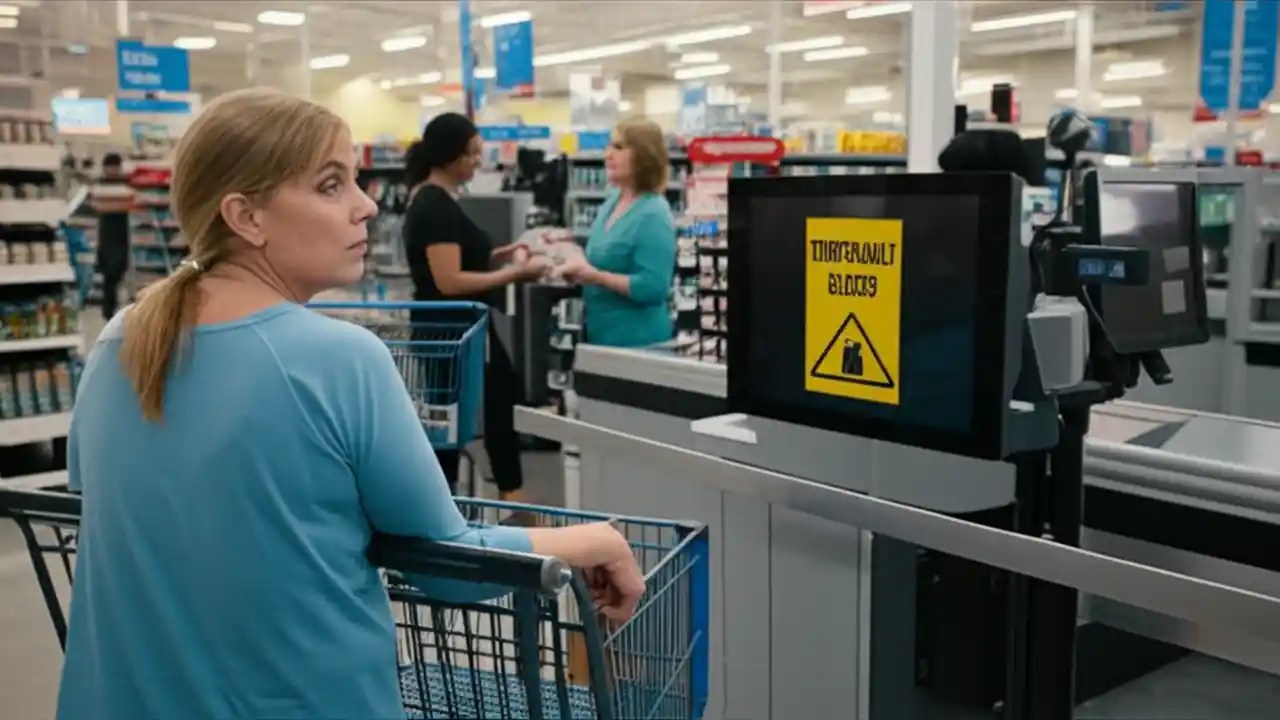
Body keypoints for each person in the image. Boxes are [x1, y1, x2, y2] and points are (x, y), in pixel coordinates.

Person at [57, 89, 643, 720]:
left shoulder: (121, 337)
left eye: (356, 181)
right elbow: (452, 566)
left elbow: (109, 502)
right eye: (331, 185)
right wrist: (595, 541)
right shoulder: (340, 359)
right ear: (246, 217)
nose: (366, 206)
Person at [401, 112, 545, 499]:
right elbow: (450, 281)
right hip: (454, 331)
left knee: (464, 415)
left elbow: (456, 259)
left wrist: (501, 254)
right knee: (471, 415)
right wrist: (515, 274)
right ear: (448, 156)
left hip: (458, 329)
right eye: (471, 154)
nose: (477, 162)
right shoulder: (434, 205)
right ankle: (502, 500)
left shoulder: (438, 199)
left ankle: (479, 499)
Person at [554, 117, 677, 347]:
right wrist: (570, 242)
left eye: (619, 147)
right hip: (603, 342)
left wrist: (596, 277)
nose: (608, 154)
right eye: (609, 145)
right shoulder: (612, 202)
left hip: (640, 347)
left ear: (644, 156)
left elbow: (654, 288)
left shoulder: (654, 214)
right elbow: (610, 250)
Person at [89, 152, 134, 320]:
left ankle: (113, 311)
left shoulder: (125, 182)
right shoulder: (101, 184)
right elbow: (97, 204)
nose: (112, 170)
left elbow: (129, 202)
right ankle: (109, 311)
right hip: (108, 234)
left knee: (117, 272)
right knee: (110, 275)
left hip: (119, 233)